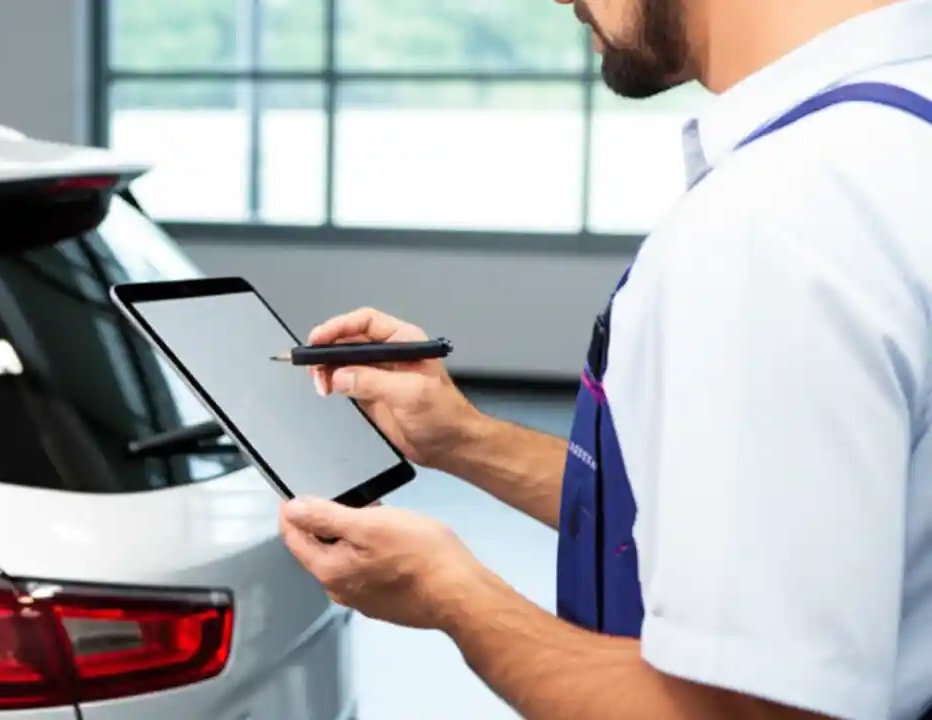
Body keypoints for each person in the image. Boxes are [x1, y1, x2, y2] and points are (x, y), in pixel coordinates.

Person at [277, 1, 932, 718]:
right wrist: (462, 439)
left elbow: (746, 713)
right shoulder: (896, 138)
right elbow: (725, 513)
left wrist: (448, 591)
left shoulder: (768, 228)